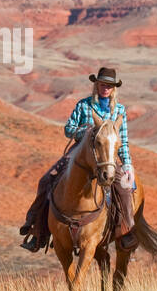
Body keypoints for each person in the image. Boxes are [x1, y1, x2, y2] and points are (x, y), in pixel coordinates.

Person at [19, 67, 136, 252]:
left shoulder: (120, 111)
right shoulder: (83, 105)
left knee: (125, 188)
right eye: (103, 84)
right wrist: (87, 132)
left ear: (114, 89)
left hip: (107, 157)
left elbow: (123, 140)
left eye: (110, 86)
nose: (106, 88)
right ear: (97, 85)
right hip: (79, 154)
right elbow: (68, 129)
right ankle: (38, 231)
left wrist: (127, 164)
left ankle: (127, 231)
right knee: (46, 181)